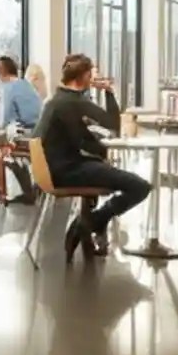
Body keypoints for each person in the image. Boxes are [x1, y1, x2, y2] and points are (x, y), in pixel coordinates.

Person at [33, 53, 151, 259]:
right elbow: (113, 123)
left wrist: (97, 147)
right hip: (66, 171)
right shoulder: (74, 102)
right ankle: (92, 221)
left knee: (102, 166)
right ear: (85, 76)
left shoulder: (56, 100)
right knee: (140, 186)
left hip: (55, 168)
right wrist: (108, 92)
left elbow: (76, 136)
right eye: (91, 75)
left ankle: (90, 225)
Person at [0, 56, 41, 203]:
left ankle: (0, 191)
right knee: (0, 148)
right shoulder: (25, 84)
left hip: (25, 133)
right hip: (38, 132)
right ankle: (24, 189)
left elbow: (9, 119)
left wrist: (0, 129)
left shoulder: (9, 88)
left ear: (1, 71)